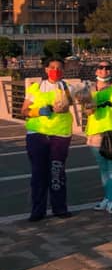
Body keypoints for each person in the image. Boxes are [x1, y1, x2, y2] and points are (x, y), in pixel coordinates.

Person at [22, 57, 75, 221]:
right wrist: (38, 112)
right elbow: (24, 110)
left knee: (57, 172)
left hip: (60, 136)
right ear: (46, 69)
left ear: (64, 71)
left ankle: (59, 208)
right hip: (37, 135)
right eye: (52, 67)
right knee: (38, 173)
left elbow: (77, 104)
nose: (55, 71)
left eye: (59, 68)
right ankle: (38, 210)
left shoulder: (68, 88)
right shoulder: (35, 87)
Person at [85, 60, 112, 214]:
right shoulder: (89, 89)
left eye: (107, 67)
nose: (104, 70)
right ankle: (107, 197)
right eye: (101, 67)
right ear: (96, 71)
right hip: (96, 133)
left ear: (111, 71)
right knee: (104, 169)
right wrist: (90, 102)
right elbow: (88, 112)